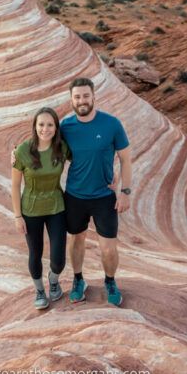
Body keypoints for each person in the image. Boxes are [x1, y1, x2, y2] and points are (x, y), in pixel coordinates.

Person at [61, 77, 132, 307]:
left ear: (93, 96)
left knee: (108, 247)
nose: (82, 100)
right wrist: (18, 156)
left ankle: (110, 281)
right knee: (75, 240)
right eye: (77, 97)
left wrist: (125, 192)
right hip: (75, 196)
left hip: (104, 197)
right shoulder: (65, 127)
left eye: (85, 96)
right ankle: (78, 280)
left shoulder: (111, 124)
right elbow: (43, 149)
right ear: (71, 100)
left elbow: (125, 159)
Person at [11, 107, 71, 309]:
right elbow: (14, 185)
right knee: (35, 253)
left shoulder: (61, 147)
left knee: (59, 258)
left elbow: (85, 157)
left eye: (50, 125)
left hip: (56, 206)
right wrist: (17, 216)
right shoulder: (22, 151)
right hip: (31, 209)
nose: (45, 129)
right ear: (35, 127)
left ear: (56, 127)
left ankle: (53, 281)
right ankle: (39, 289)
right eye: (41, 124)